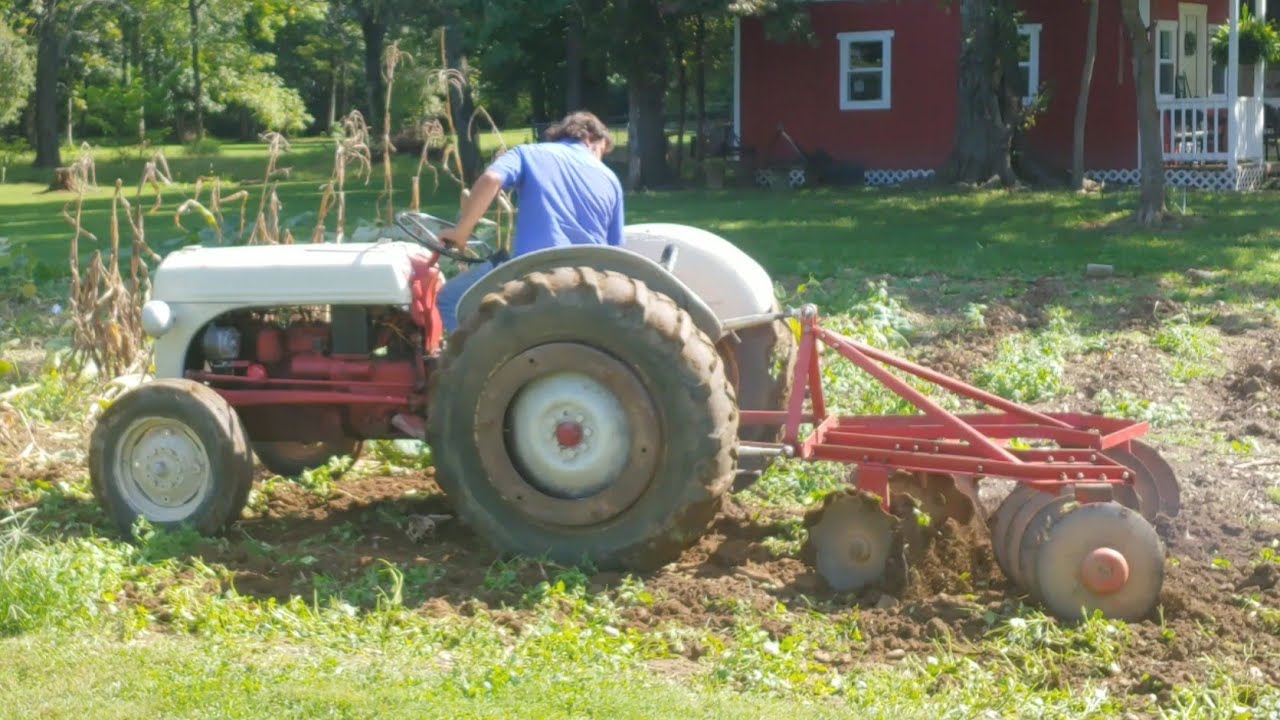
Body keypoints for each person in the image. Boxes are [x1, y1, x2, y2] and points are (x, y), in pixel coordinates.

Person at [435, 111, 624, 334]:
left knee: (450, 299)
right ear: (592, 139)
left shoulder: (528, 153)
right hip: (586, 282)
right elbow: (616, 254)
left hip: (533, 273)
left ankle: (467, 367)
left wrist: (461, 231)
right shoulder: (611, 179)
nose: (599, 159)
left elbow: (491, 179)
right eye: (603, 152)